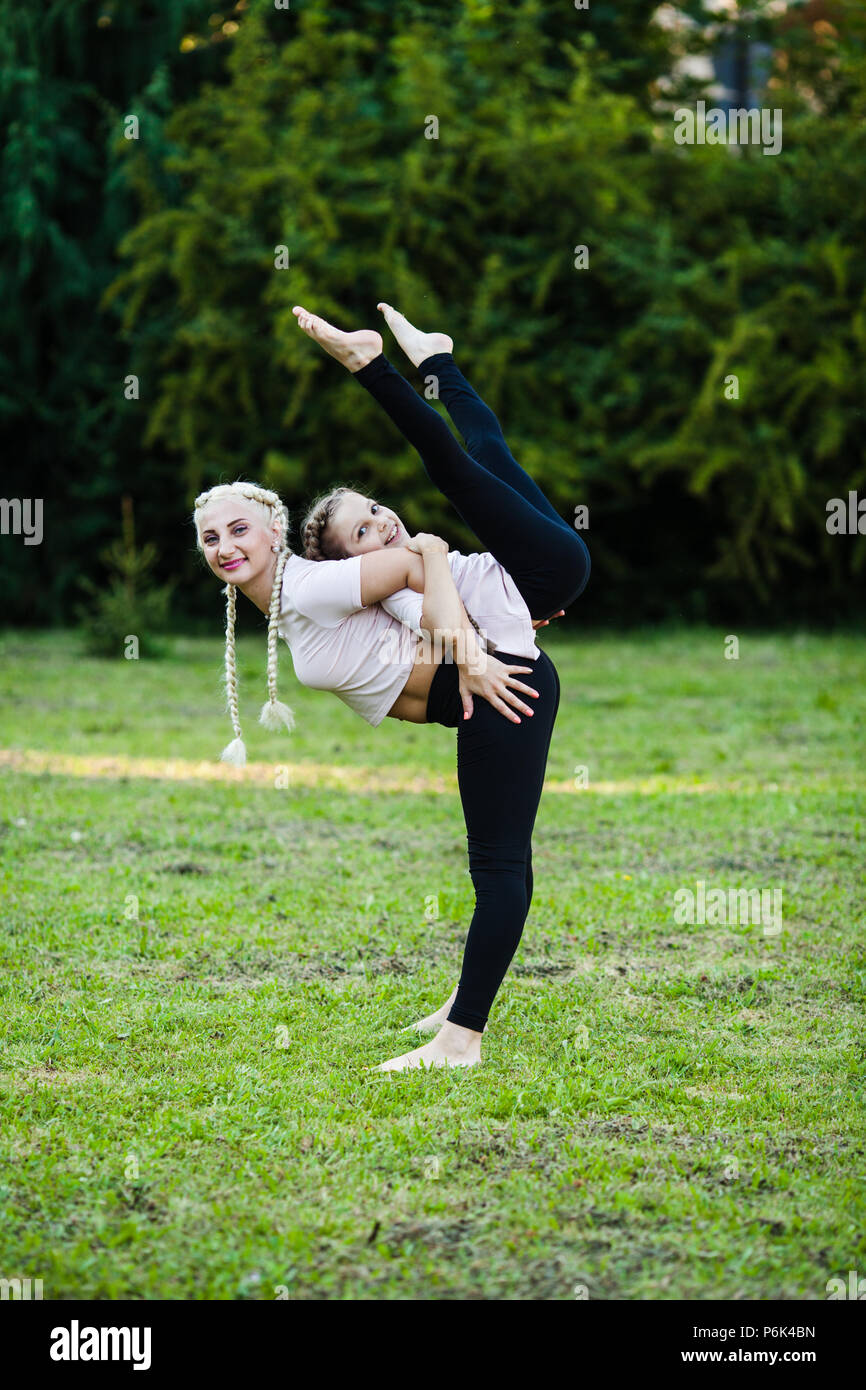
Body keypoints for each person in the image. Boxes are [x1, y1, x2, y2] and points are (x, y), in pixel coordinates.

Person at [192, 304, 589, 1072]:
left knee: (460, 468)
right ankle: (439, 360)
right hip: (512, 649)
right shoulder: (298, 599)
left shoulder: (309, 587)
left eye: (239, 530)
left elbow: (420, 558)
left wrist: (473, 654)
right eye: (211, 537)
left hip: (502, 674)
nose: (224, 547)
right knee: (487, 455)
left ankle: (461, 1039)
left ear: (274, 532)